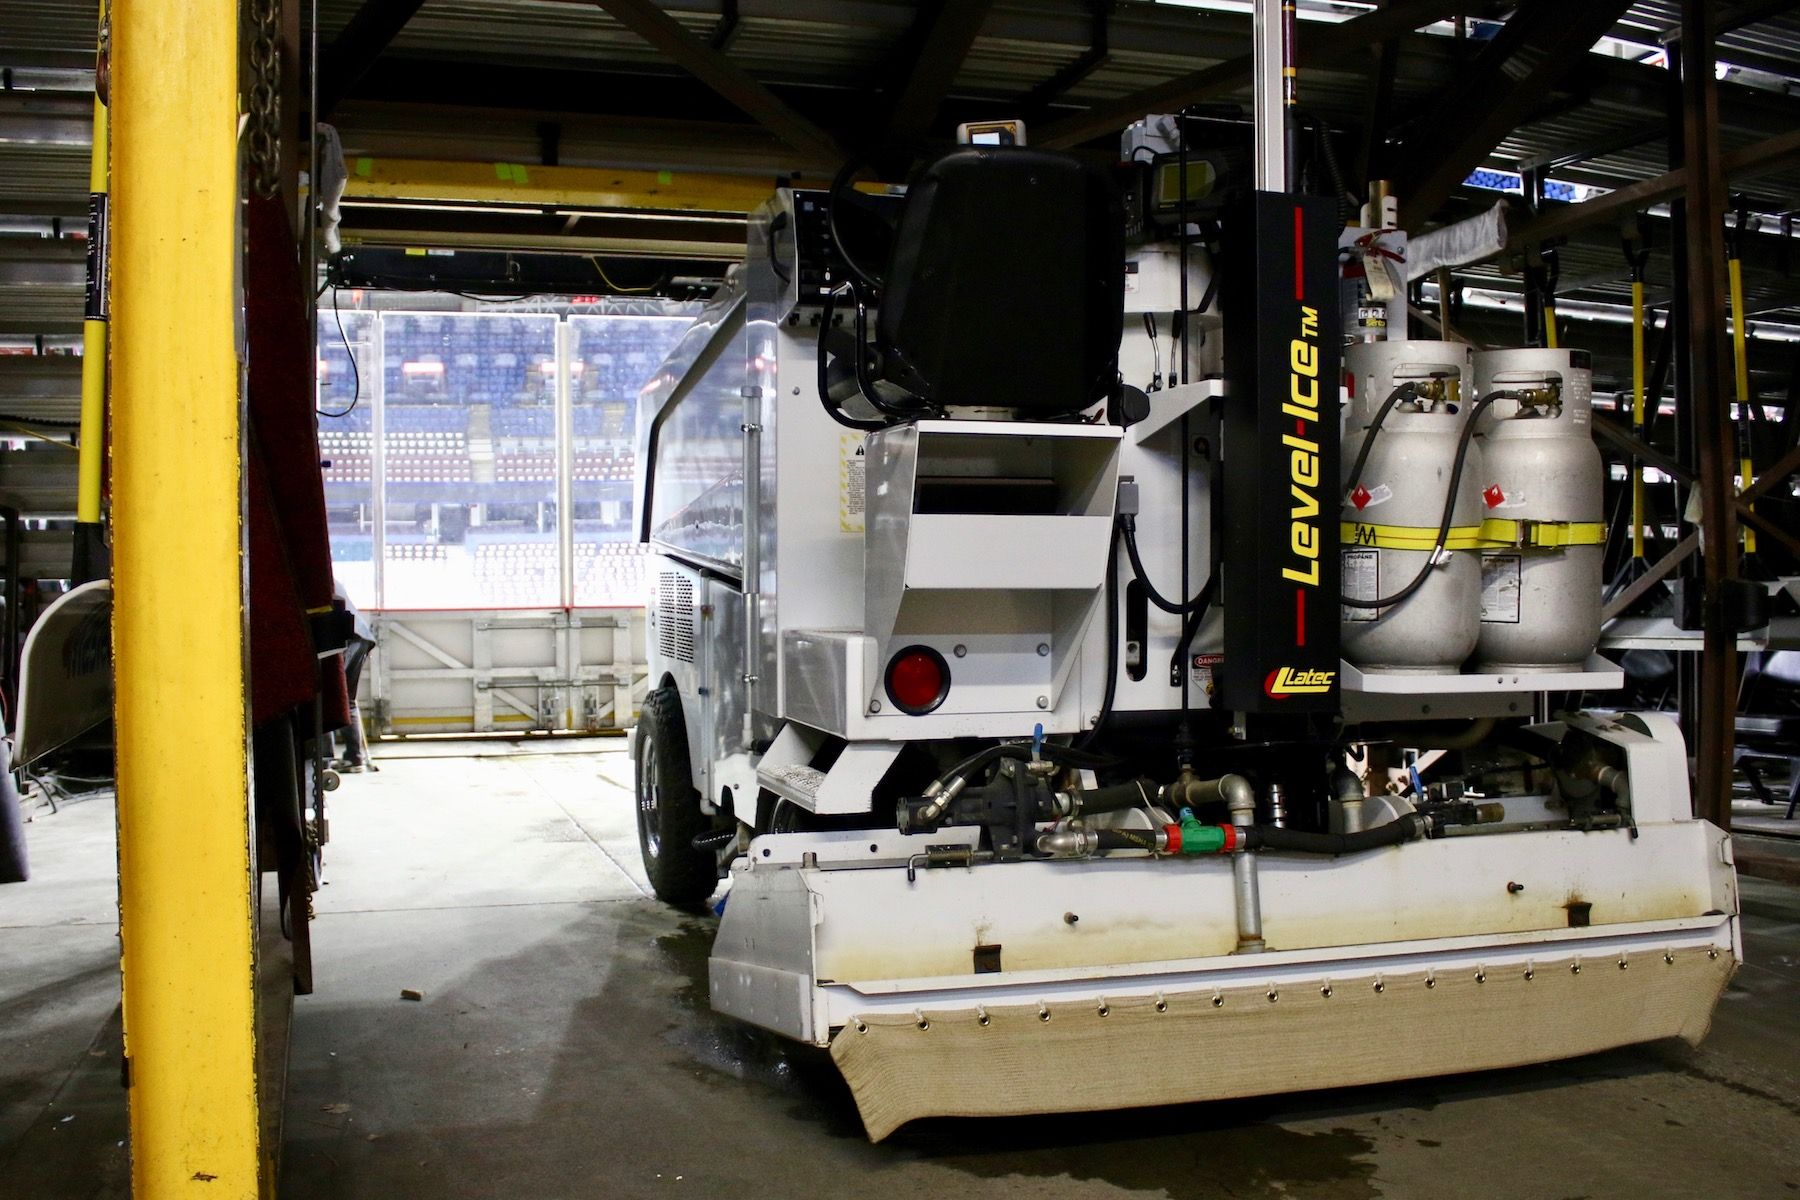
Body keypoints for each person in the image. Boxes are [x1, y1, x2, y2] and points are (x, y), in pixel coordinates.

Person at [334, 581, 377, 772]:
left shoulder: (315, 582)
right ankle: (354, 757)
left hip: (349, 638)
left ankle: (326, 758)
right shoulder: (330, 579)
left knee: (330, 696)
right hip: (359, 637)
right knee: (346, 699)